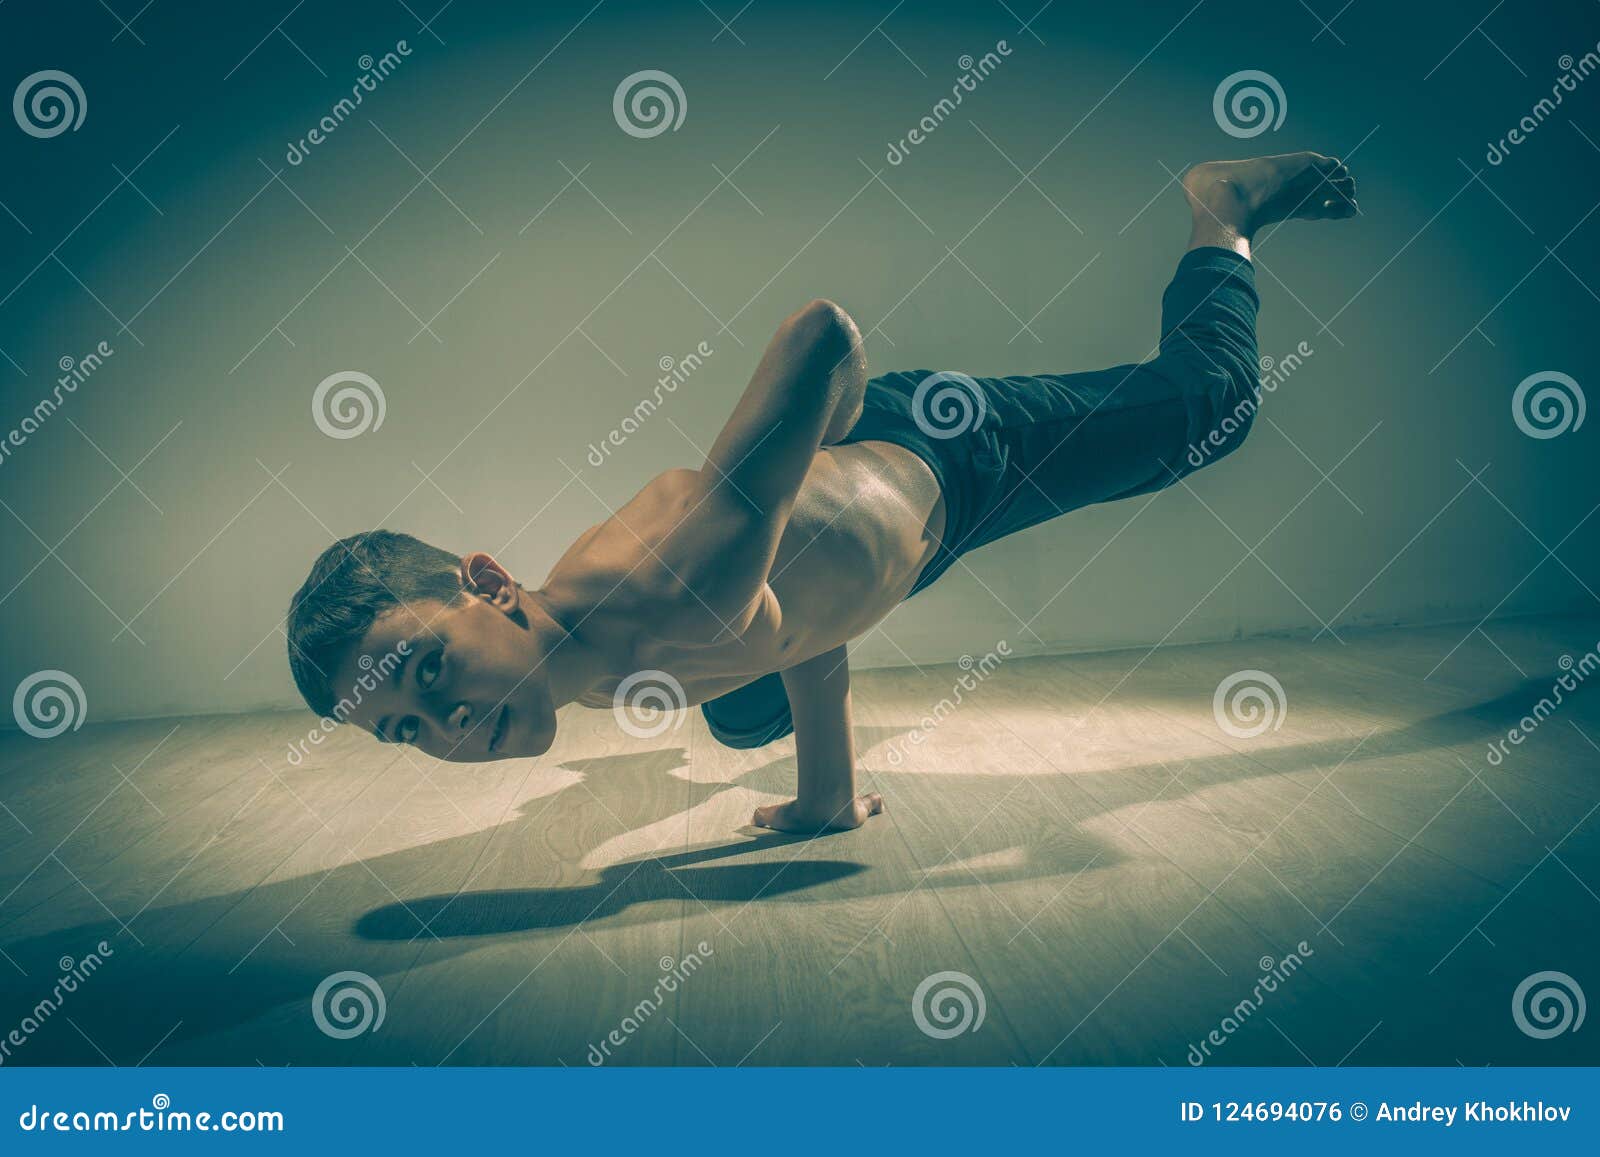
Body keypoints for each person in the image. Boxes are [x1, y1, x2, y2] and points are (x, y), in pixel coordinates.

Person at [286, 152, 1357, 834]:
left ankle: (1220, 208)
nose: (451, 721)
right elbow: (796, 630)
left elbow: (821, 332)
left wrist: (834, 435)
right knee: (742, 704)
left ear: (487, 581)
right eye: (405, 726)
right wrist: (826, 801)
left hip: (954, 455)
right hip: (868, 559)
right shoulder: (597, 674)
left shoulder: (677, 589)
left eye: (430, 668)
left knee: (1210, 407)